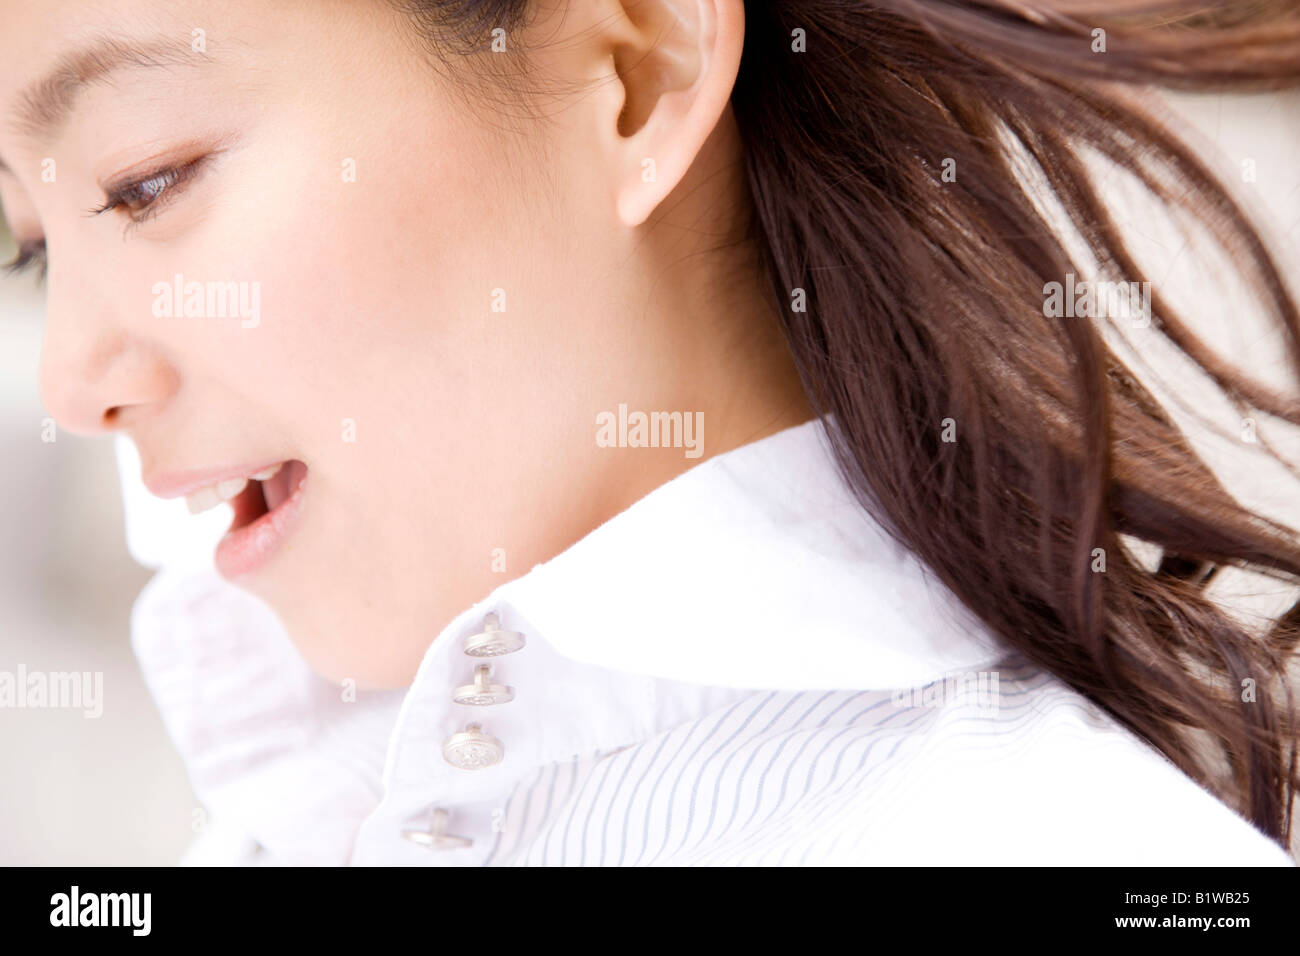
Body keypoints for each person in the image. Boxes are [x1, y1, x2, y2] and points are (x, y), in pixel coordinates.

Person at [1, 0, 1296, 864]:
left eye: (147, 178)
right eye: (33, 251)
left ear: (635, 76)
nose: (73, 380)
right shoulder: (289, 797)